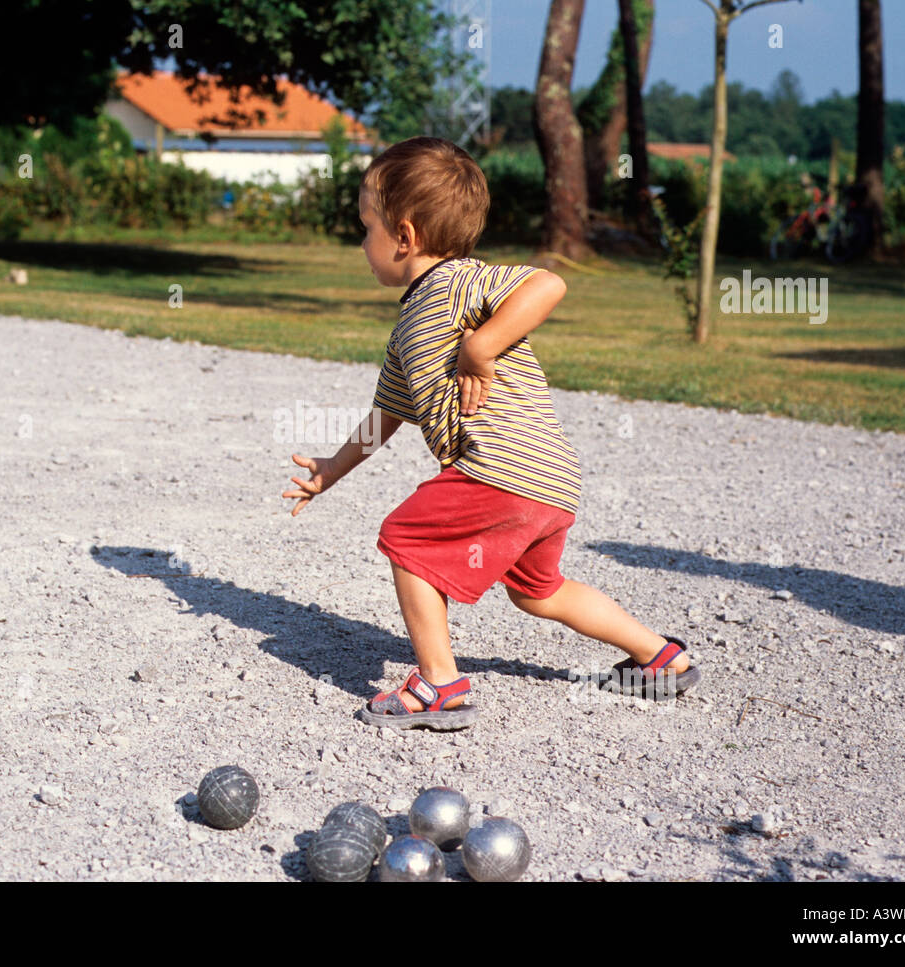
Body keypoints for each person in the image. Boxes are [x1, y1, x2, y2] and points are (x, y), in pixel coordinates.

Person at [282, 137, 700, 729]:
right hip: (548, 479)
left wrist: (480, 345)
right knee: (538, 592)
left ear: (404, 236)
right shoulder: (410, 321)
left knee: (408, 540)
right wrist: (331, 469)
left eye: (365, 227)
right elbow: (387, 415)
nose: (361, 243)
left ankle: (439, 683)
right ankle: (660, 658)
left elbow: (548, 285)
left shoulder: (459, 284)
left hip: (499, 471)